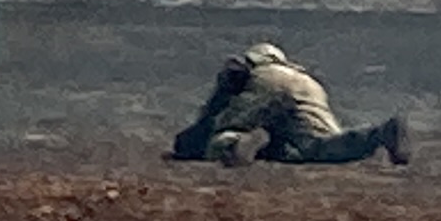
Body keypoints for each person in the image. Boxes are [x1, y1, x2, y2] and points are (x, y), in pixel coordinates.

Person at [169, 42, 412, 168]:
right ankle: (380, 133)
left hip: (268, 85)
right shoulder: (299, 75)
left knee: (225, 132)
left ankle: (236, 147)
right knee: (320, 145)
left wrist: (222, 95)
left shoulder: (260, 74)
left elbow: (216, 121)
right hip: (310, 88)